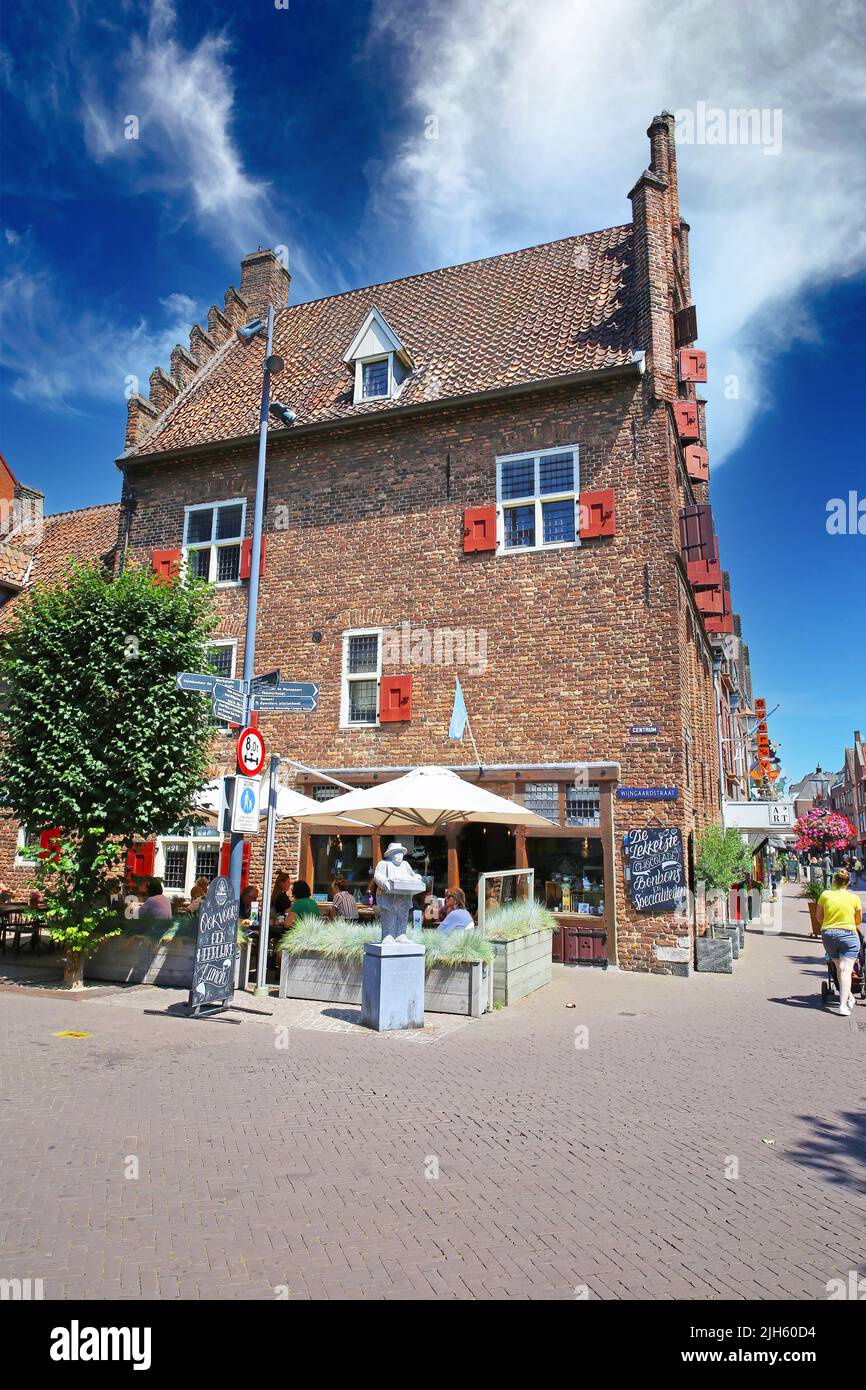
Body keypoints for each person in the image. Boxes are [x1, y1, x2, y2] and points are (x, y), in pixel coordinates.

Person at [816, 869, 863, 1016]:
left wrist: (830, 925)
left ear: (834, 881)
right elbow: (858, 920)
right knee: (845, 970)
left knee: (839, 968)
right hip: (848, 935)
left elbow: (819, 917)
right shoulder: (854, 898)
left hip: (829, 935)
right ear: (848, 883)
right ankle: (843, 1005)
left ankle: (849, 996)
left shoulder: (825, 895)